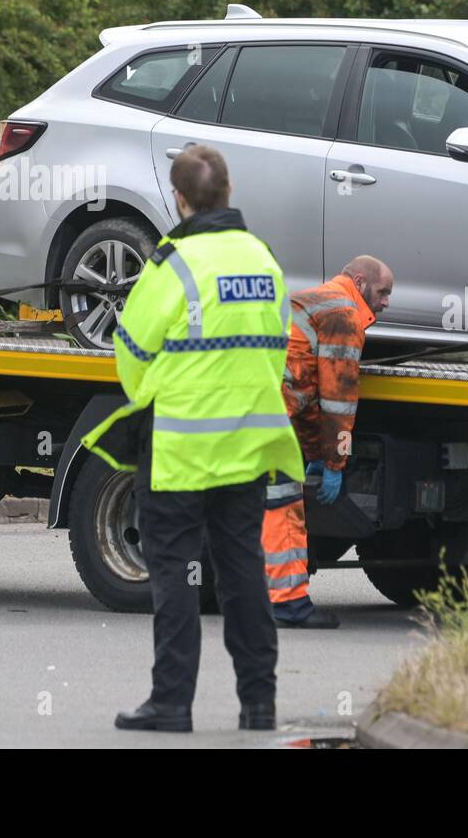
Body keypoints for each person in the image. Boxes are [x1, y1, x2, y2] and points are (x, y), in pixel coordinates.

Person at [82, 144, 304, 732]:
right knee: (242, 573)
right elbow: (279, 344)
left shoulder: (172, 264)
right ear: (229, 193)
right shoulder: (264, 260)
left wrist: (163, 387)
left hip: (179, 452)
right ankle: (259, 704)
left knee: (177, 576)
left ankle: (172, 703)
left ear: (180, 199)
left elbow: (129, 354)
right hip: (247, 448)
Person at [263, 255, 393, 628]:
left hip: (265, 409)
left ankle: (267, 598)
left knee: (260, 505)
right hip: (268, 415)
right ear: (360, 281)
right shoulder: (344, 314)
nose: (386, 302)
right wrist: (336, 462)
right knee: (284, 505)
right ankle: (288, 606)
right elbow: (339, 400)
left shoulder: (321, 299)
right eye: (383, 292)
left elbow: (307, 392)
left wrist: (317, 453)